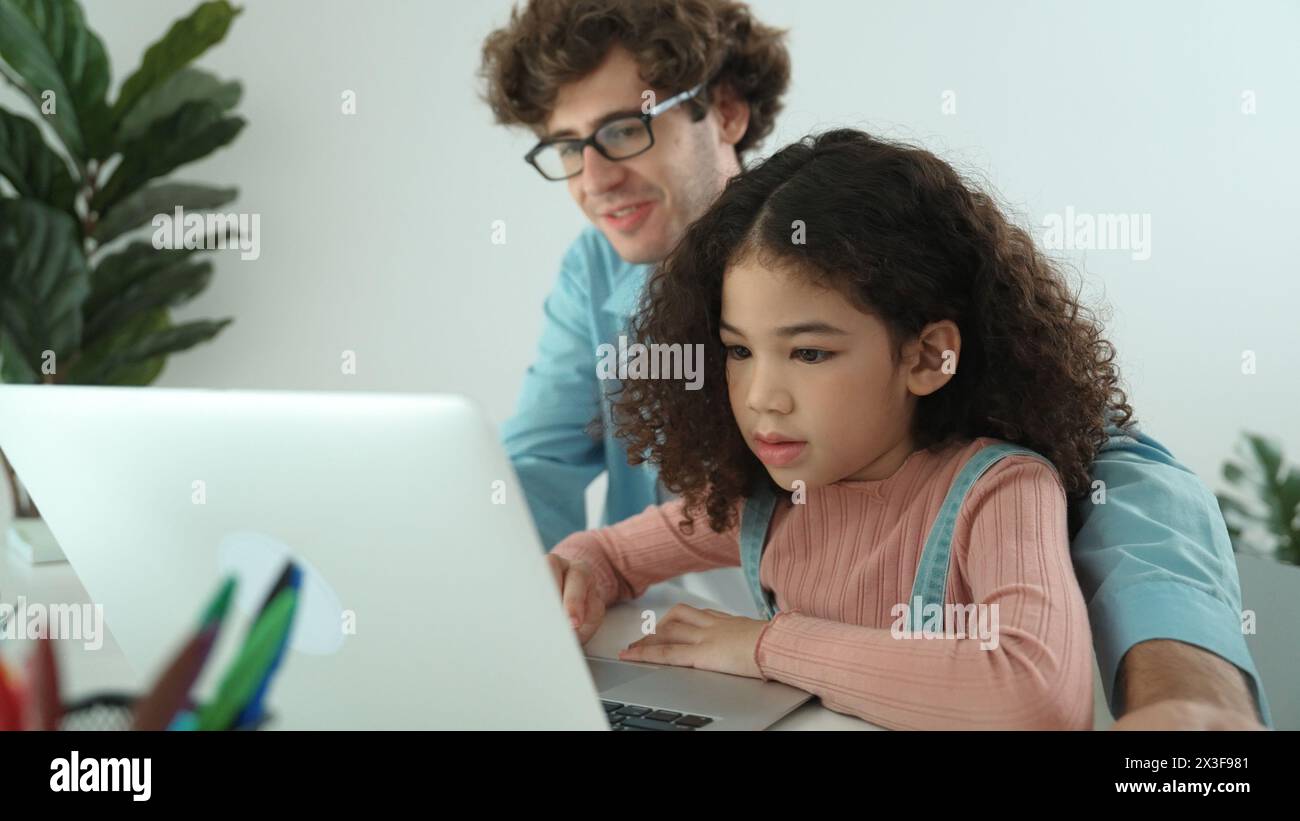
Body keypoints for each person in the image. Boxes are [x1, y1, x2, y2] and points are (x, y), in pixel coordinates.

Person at [478, 0, 1269, 729]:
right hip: (712, 675)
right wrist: (542, 591)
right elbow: (547, 478)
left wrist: (1187, 684)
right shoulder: (602, 282)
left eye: (624, 129)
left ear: (723, 109)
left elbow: (1101, 462)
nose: (593, 177)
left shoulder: (859, 239)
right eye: (566, 146)